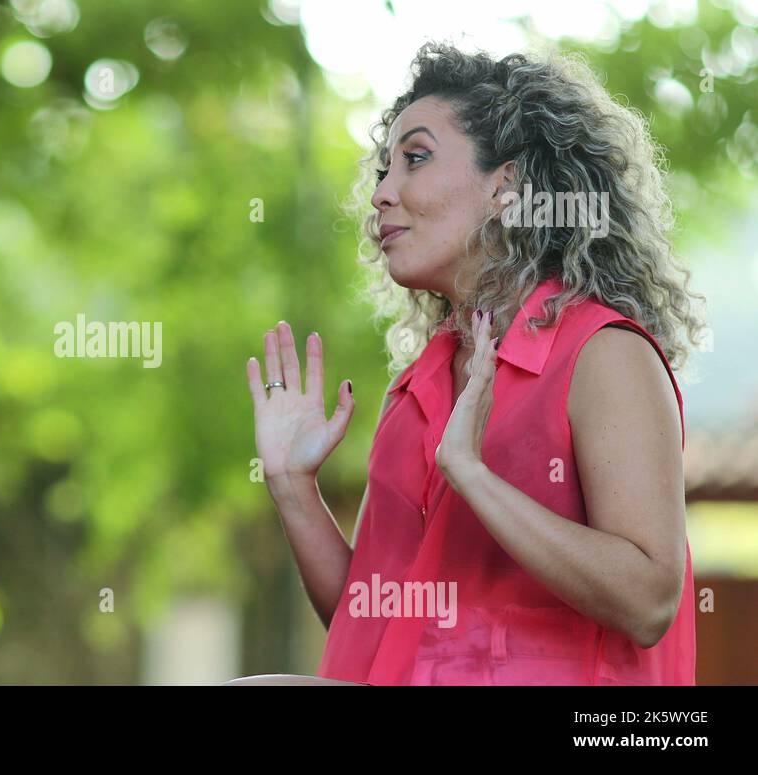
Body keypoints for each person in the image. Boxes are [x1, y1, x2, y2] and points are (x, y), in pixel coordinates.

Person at [242, 42, 704, 685]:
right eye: (382, 170)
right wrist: (294, 487)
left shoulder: (604, 355)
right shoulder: (418, 390)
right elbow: (376, 624)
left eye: (416, 159)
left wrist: (472, 474)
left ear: (505, 188)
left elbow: (650, 598)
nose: (381, 194)